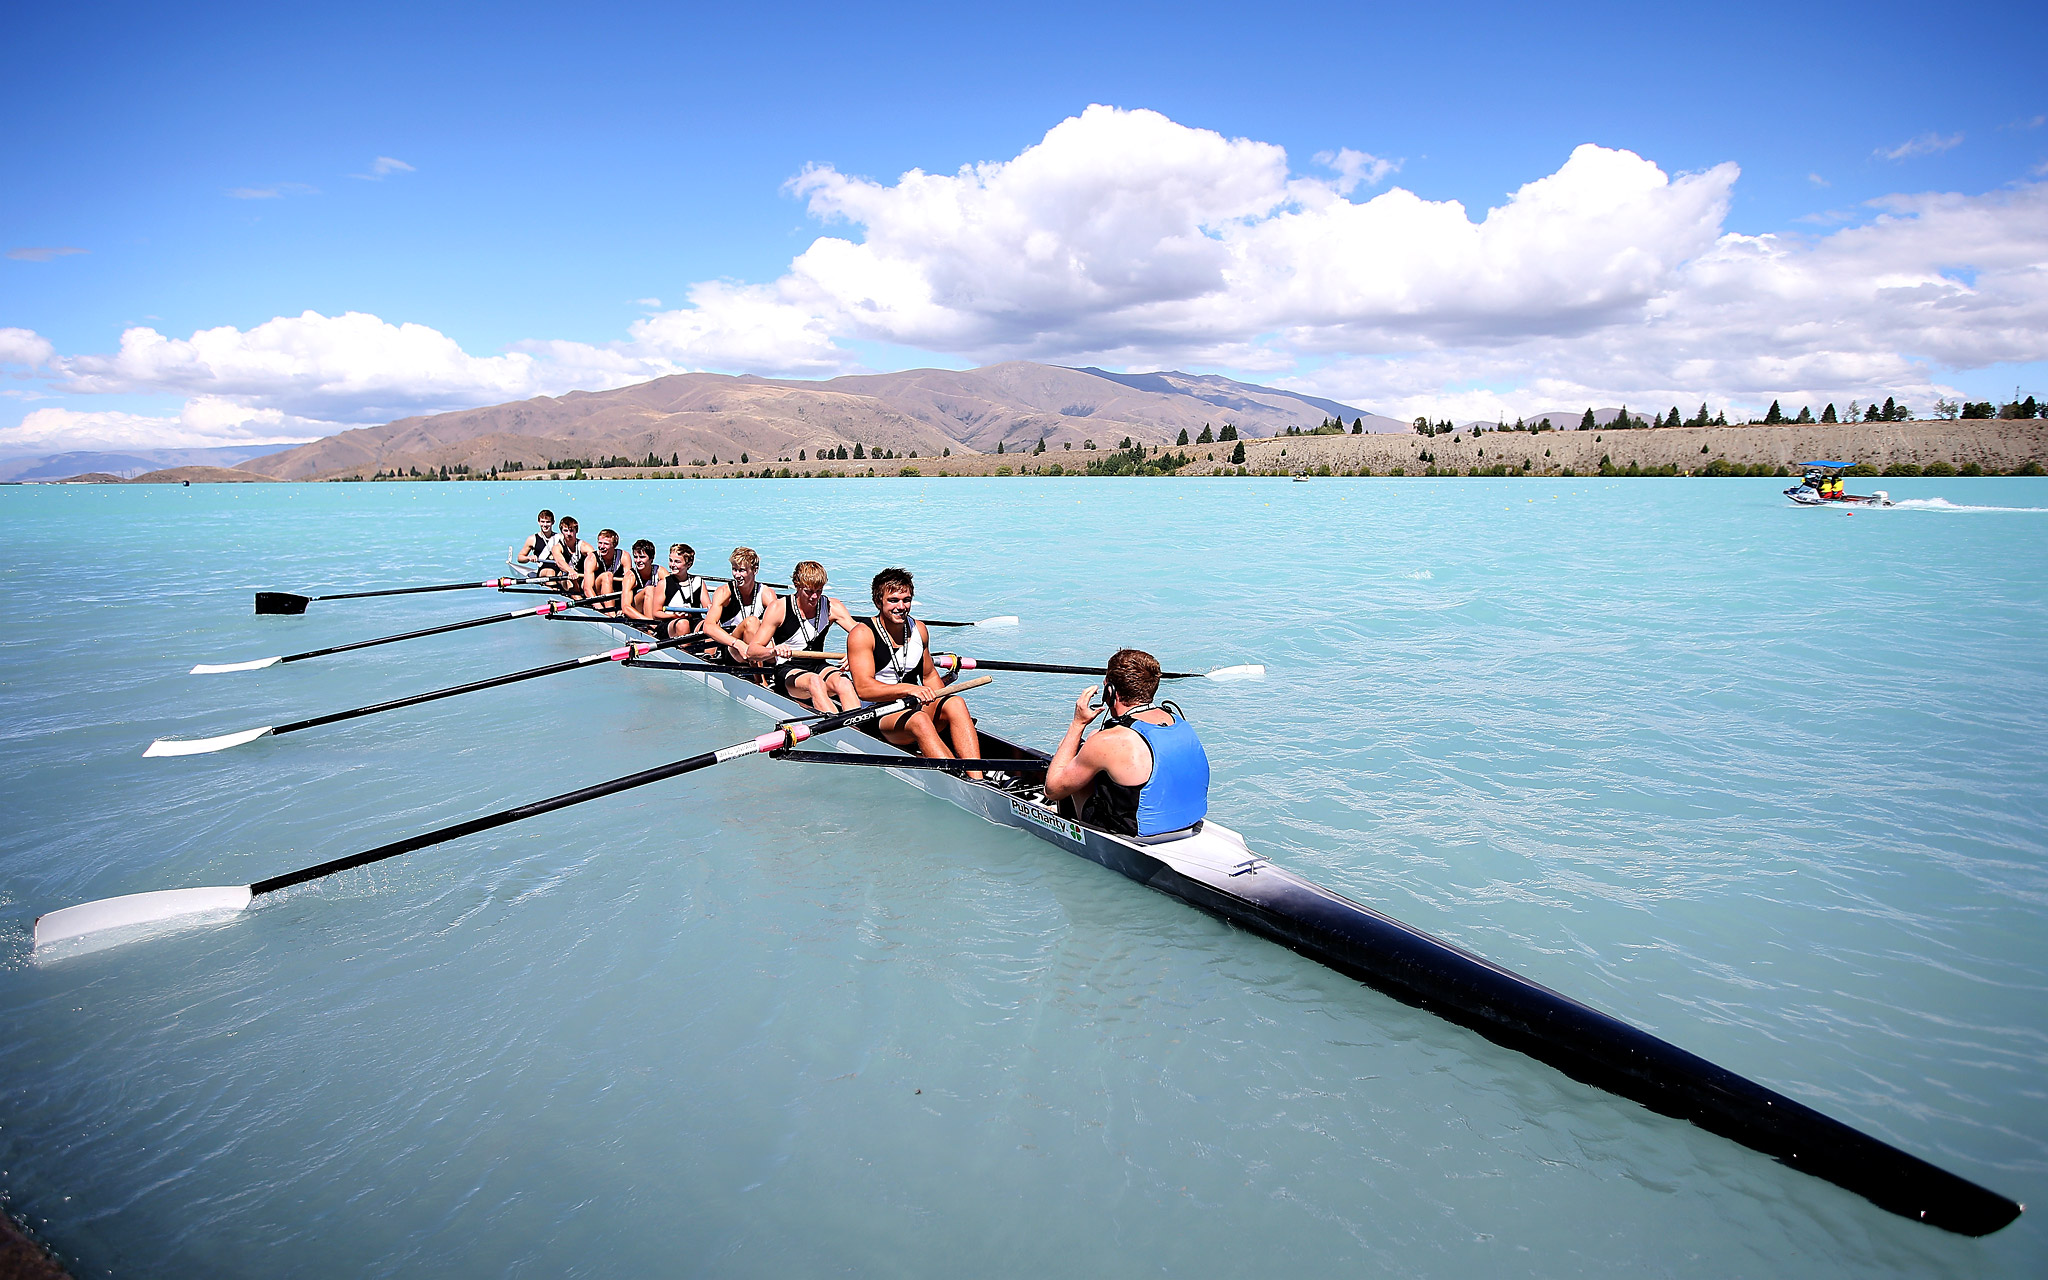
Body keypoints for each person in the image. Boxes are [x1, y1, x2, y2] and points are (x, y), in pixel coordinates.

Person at [1042, 648, 1209, 841]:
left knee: (1081, 752)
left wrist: (1077, 723)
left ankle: (1070, 822)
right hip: (1187, 822)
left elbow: (1052, 790)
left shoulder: (1106, 741)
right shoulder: (1178, 721)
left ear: (1110, 692)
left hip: (1136, 834)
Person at [846, 567, 982, 777]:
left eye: (906, 599)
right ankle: (958, 779)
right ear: (878, 602)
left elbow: (929, 676)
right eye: (893, 600)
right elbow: (864, 688)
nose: (901, 606)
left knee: (956, 703)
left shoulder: (919, 629)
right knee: (919, 720)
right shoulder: (862, 634)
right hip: (879, 715)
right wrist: (908, 689)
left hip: (912, 707)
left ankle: (977, 777)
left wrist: (940, 700)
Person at [762, 560, 860, 713]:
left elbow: (863, 635)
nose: (815, 597)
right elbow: (752, 651)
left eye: (819, 591)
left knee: (844, 683)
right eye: (809, 591)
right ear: (797, 585)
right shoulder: (779, 608)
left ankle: (856, 727)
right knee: (815, 682)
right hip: (788, 670)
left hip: (818, 666)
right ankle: (840, 733)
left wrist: (856, 653)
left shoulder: (831, 607)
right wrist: (773, 651)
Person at [698, 547, 778, 664]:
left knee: (756, 626)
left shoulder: (767, 593)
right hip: (733, 650)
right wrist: (737, 643)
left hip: (758, 649)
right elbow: (708, 627)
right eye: (734, 569)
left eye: (742, 570)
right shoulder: (724, 592)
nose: (737, 575)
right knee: (751, 622)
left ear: (755, 570)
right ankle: (761, 681)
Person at [651, 543, 705, 639]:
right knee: (683, 623)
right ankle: (686, 651)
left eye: (677, 562)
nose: (672, 565)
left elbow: (708, 608)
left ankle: (709, 654)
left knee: (710, 625)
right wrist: (675, 616)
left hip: (694, 620)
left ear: (689, 564)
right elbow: (656, 613)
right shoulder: (663, 583)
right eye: (671, 560)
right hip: (671, 623)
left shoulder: (698, 582)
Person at [616, 539, 667, 634]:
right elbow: (626, 607)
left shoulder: (660, 571)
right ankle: (651, 630)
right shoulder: (630, 576)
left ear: (651, 558)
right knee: (649, 589)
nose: (638, 561)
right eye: (635, 557)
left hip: (655, 609)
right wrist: (650, 622)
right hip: (637, 610)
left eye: (642, 557)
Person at [542, 516, 594, 585]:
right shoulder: (557, 547)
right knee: (570, 581)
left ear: (576, 531)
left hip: (581, 576)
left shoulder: (585, 546)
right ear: (562, 532)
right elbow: (560, 561)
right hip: (565, 576)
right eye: (566, 531)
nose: (569, 534)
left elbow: (595, 558)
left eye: (571, 531)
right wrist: (570, 571)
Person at [582, 528, 625, 607]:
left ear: (614, 545)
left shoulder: (624, 557)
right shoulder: (592, 559)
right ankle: (610, 611)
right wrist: (600, 608)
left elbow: (629, 584)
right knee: (607, 576)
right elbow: (587, 588)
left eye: (606, 544)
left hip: (615, 593)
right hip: (596, 594)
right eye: (600, 543)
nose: (601, 546)